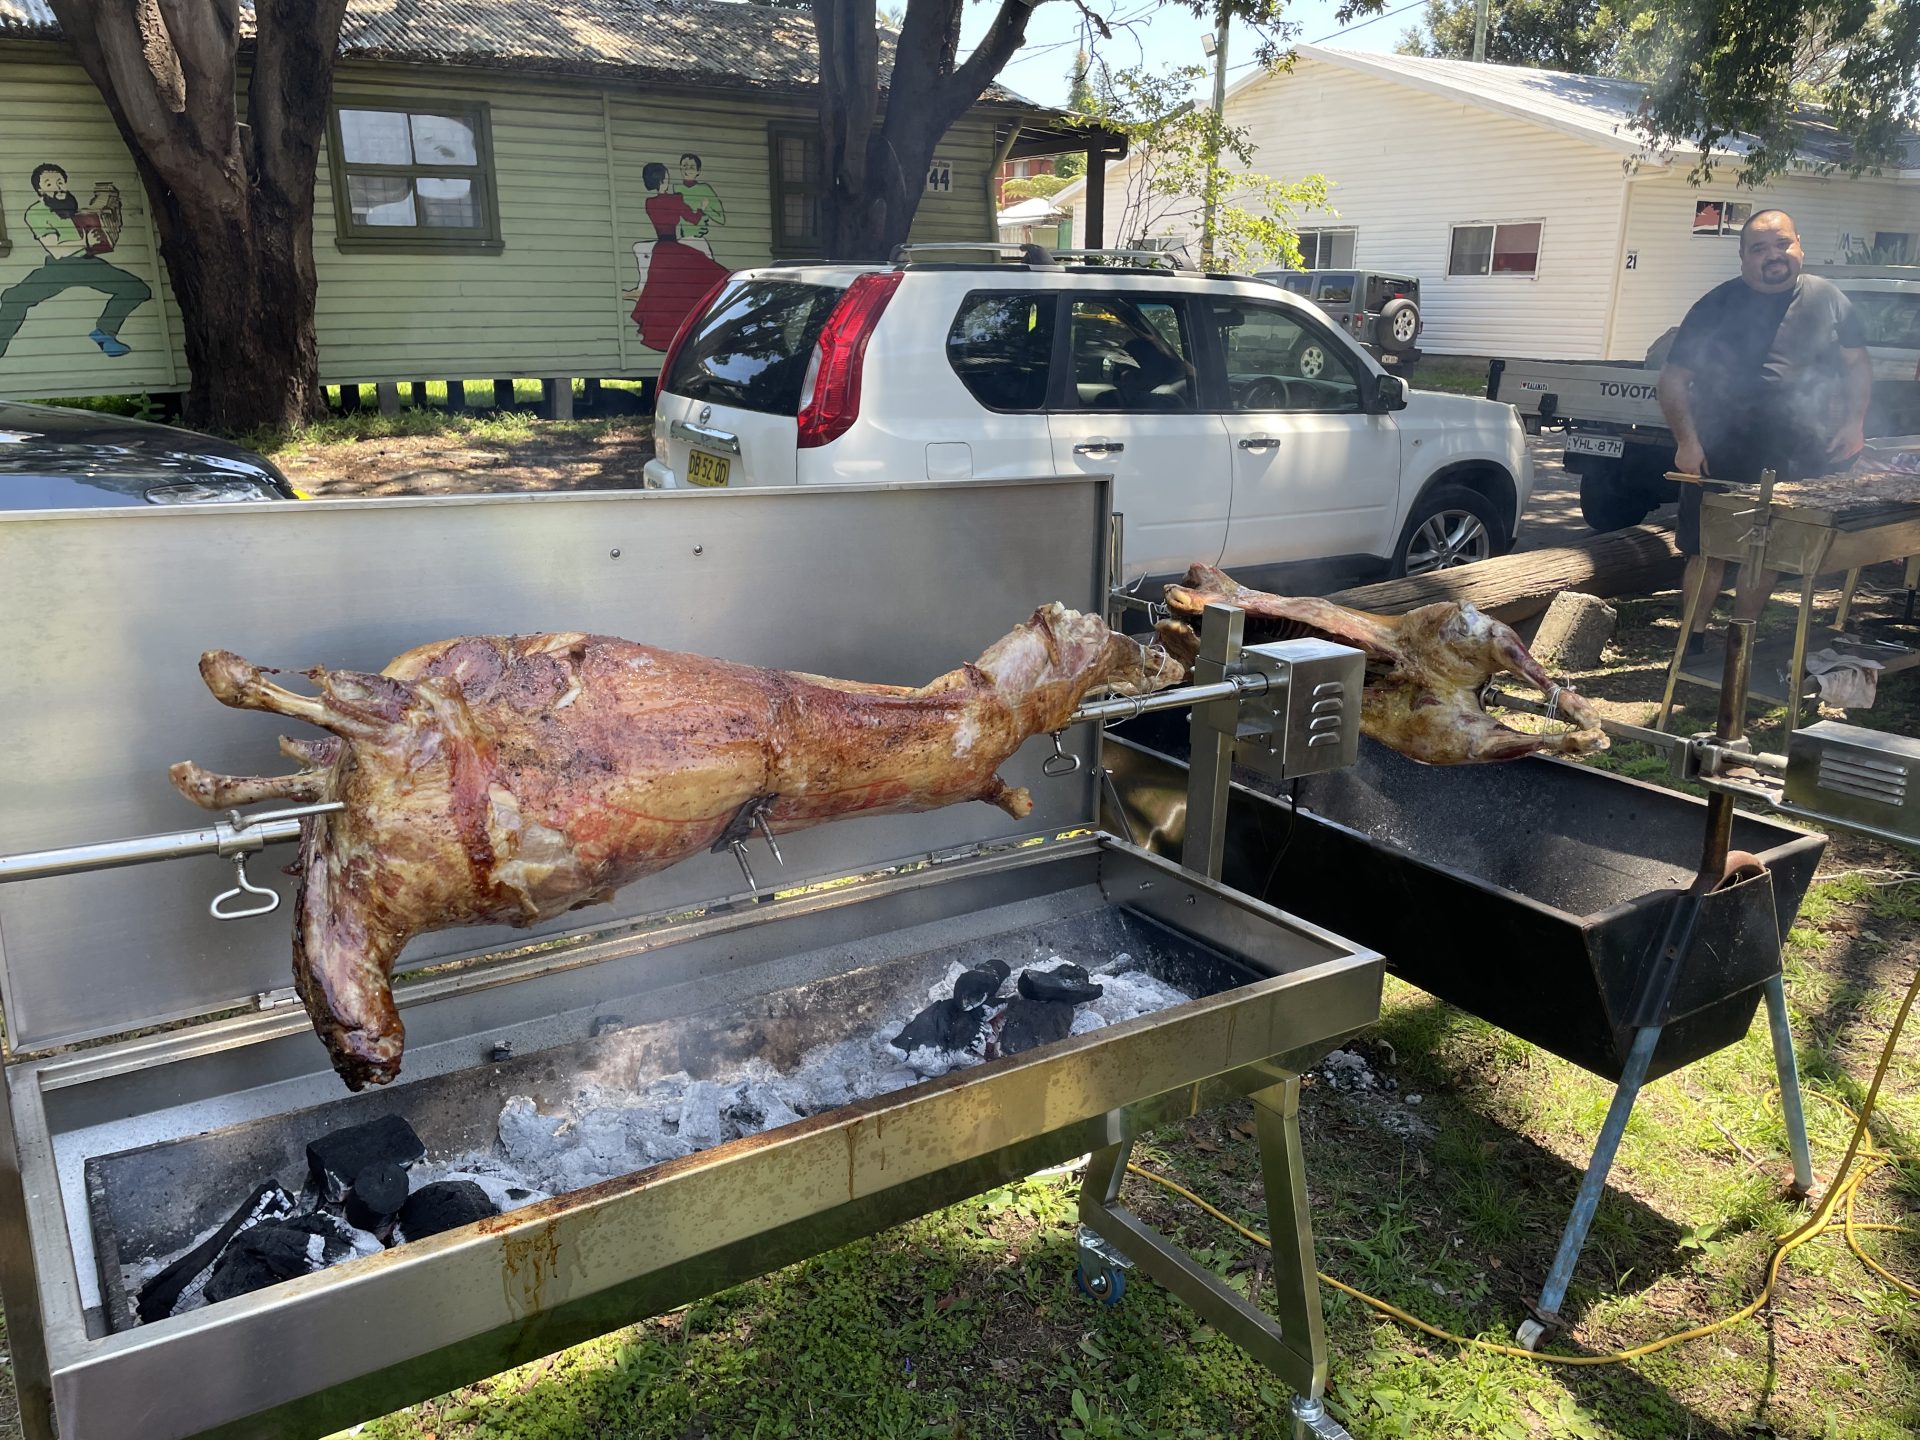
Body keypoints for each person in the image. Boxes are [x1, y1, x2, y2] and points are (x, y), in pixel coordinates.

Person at [1657, 208, 1871, 656]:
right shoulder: (1715, 306)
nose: (1773, 256)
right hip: (1721, 450)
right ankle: (1691, 639)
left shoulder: (1830, 300)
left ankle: (1741, 636)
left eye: (1782, 244)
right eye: (1759, 248)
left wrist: (1854, 422)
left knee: (1767, 552)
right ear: (1743, 258)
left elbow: (1857, 366)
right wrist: (1687, 443)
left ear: (1799, 246)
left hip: (1795, 455)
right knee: (1708, 550)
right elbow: (1673, 380)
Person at [0, 163, 152, 360]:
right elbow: (56, 249)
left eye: (60, 182)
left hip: (85, 263)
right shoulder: (36, 213)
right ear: (40, 190)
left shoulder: (71, 210)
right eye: (49, 183)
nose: (58, 187)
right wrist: (85, 241)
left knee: (137, 289)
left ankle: (105, 332)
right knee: (14, 298)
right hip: (60, 268)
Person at [629, 161, 729, 352]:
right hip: (674, 249)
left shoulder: (649, 203)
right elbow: (693, 219)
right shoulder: (675, 200)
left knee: (661, 295)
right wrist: (702, 207)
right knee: (711, 275)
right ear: (664, 179)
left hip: (660, 250)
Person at [674, 153, 726, 259]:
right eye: (684, 166)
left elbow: (721, 218)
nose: (687, 170)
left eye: (692, 167)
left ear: (698, 171)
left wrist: (706, 208)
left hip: (698, 240)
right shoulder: (675, 189)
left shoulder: (705, 189)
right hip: (682, 240)